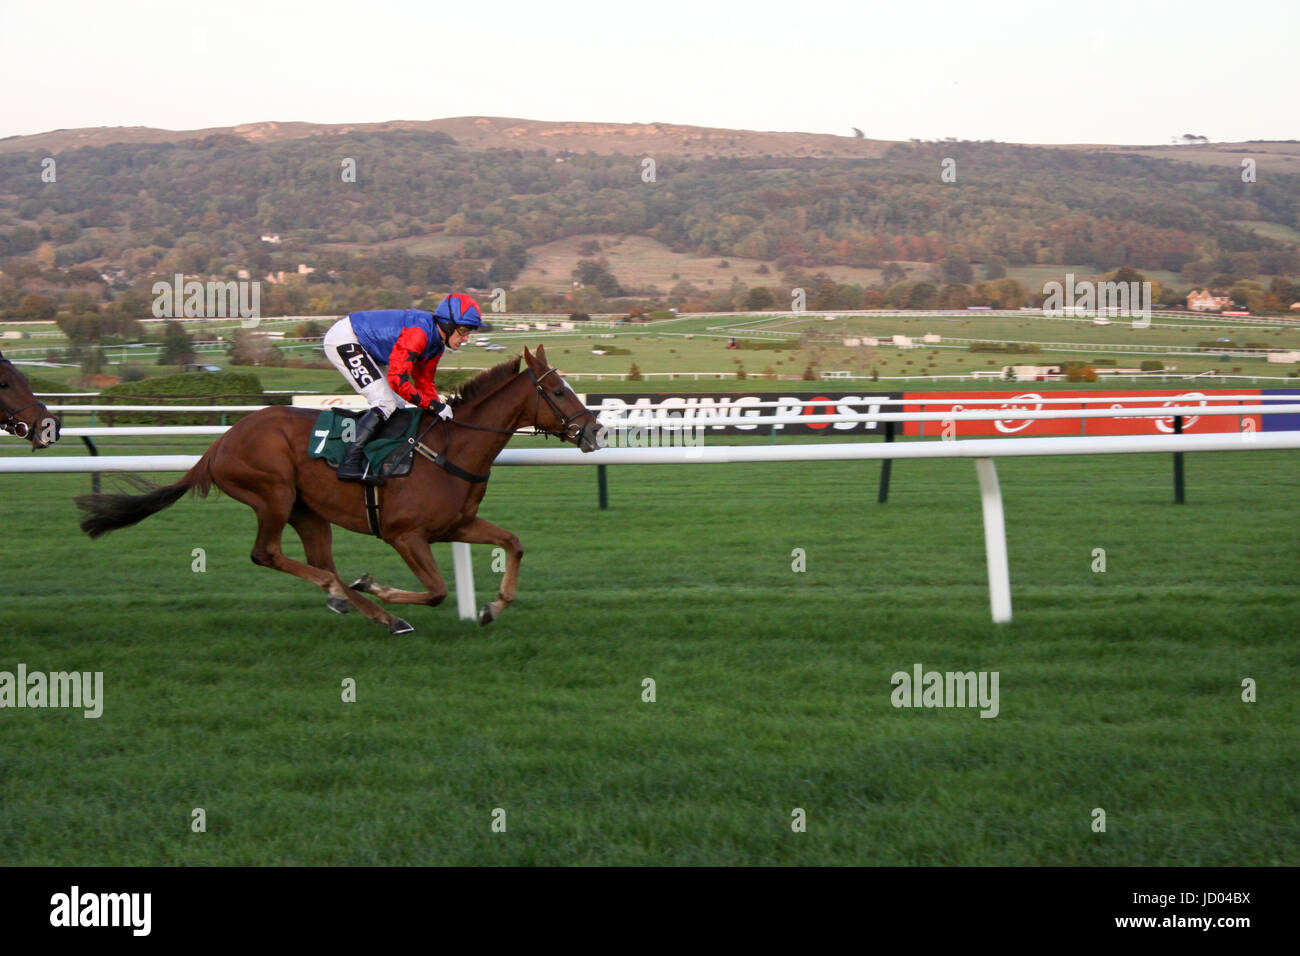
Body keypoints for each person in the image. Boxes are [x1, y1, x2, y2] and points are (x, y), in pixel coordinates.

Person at [322, 294, 483, 483]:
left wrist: (437, 408)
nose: (466, 338)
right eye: (463, 331)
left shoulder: (436, 345)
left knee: (397, 406)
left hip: (368, 348)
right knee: (385, 403)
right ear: (447, 325)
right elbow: (398, 380)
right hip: (346, 339)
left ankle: (379, 457)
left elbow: (424, 383)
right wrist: (432, 408)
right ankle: (349, 463)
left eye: (469, 331)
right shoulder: (419, 334)